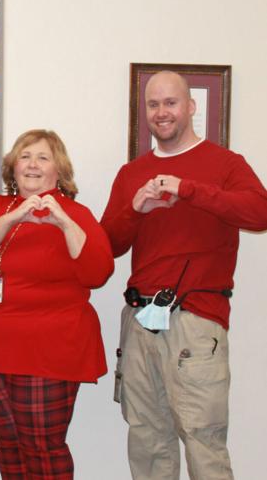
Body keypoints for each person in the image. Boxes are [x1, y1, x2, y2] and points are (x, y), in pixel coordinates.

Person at [101, 70, 267, 479]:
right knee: (147, 441)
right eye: (153, 104)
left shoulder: (225, 164)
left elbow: (259, 213)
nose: (162, 112)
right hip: (139, 320)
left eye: (171, 103)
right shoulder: (131, 173)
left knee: (202, 441)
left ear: (191, 106)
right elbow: (108, 247)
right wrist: (135, 210)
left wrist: (189, 189)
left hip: (196, 321)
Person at [0, 129, 114, 479]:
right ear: (13, 168)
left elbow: (98, 273)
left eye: (43, 158)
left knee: (42, 446)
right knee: (7, 443)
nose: (32, 165)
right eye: (25, 157)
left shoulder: (76, 214)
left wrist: (63, 222)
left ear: (59, 170)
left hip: (51, 350)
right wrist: (15, 216)